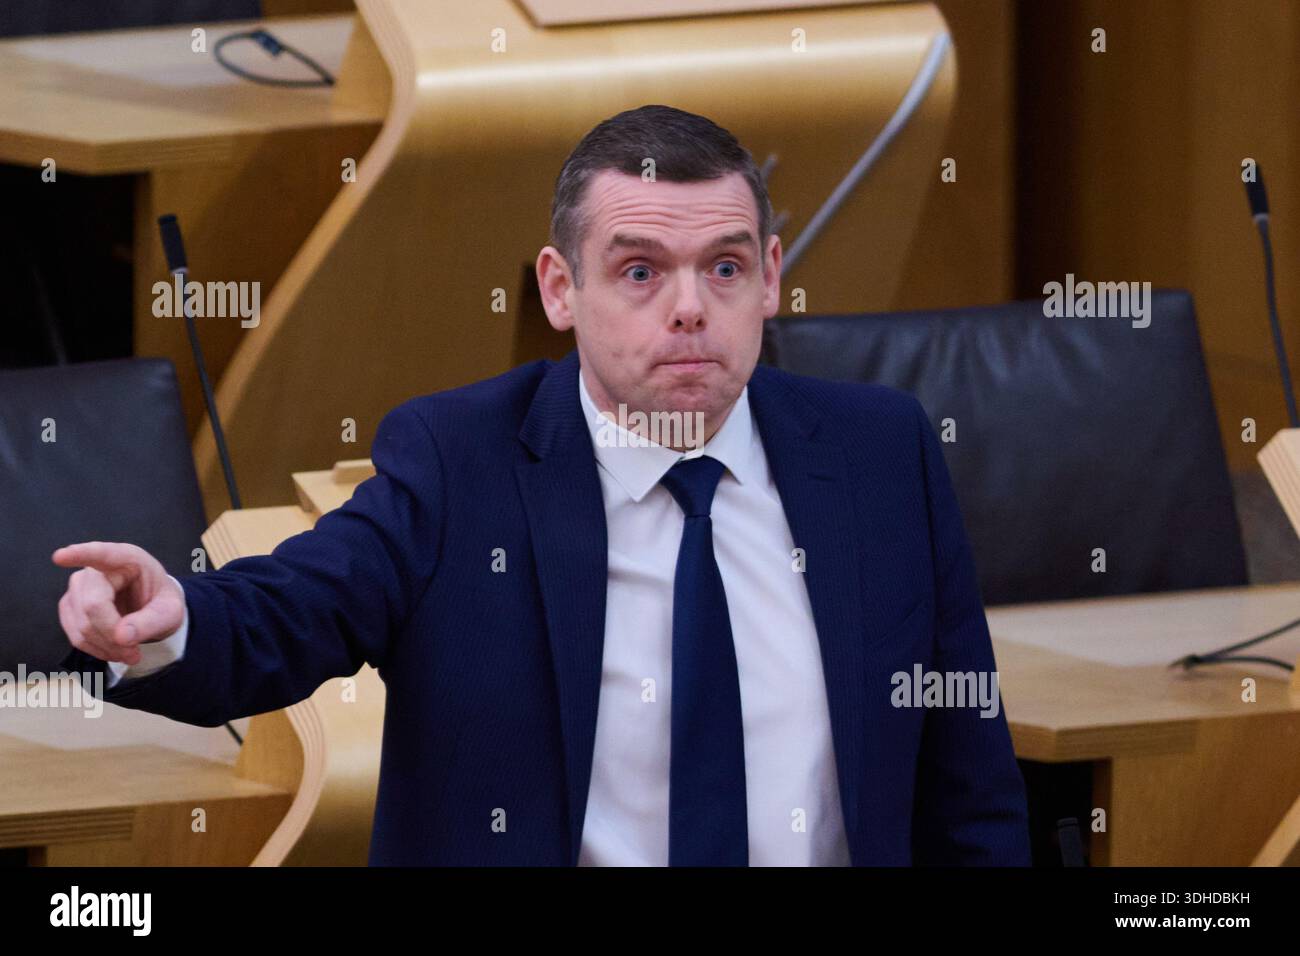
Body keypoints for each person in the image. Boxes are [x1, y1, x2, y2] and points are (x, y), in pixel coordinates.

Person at [53, 104, 1031, 866]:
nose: (690, 308)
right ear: (560, 289)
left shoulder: (878, 454)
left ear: (771, 277)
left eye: (723, 267)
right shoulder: (460, 458)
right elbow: (301, 604)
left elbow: (968, 785)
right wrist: (173, 618)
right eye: (641, 271)